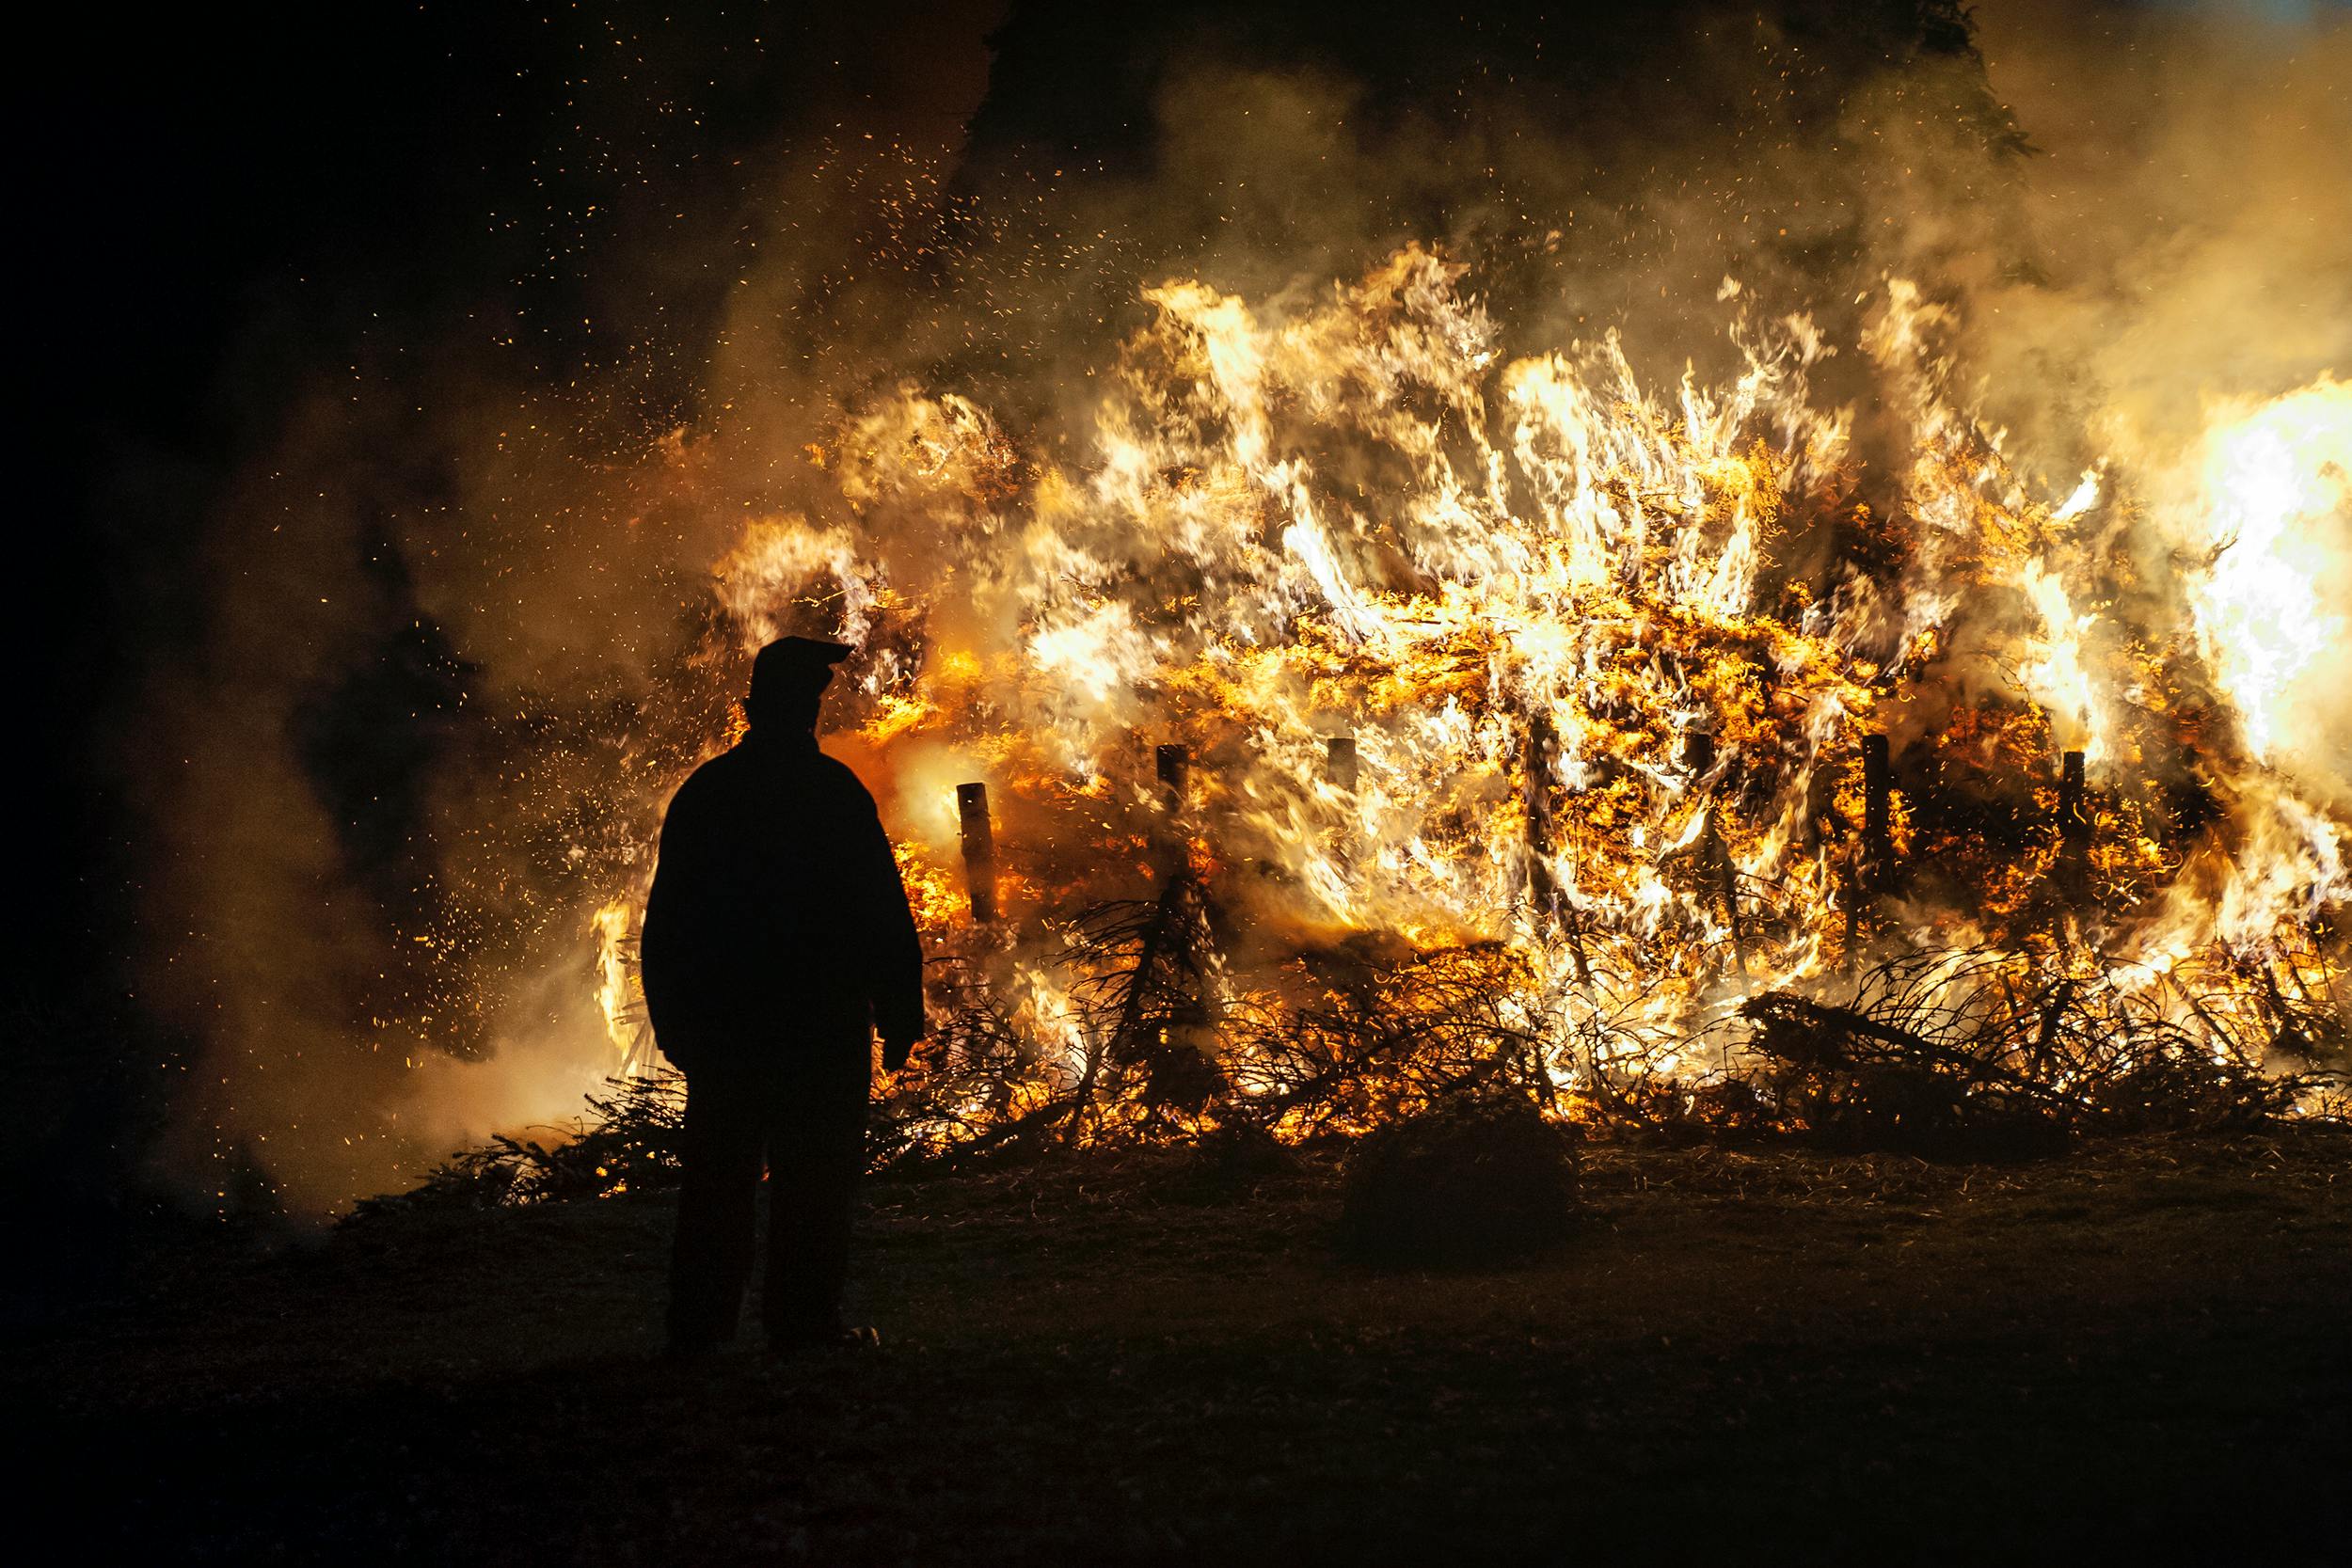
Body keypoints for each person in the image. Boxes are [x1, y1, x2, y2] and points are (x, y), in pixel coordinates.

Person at [640, 636, 926, 1356]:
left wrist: (675, 1019)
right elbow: (880, 910)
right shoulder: (832, 791)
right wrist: (899, 1009)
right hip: (819, 1022)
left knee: (719, 1179)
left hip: (729, 1026)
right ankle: (801, 1324)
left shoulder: (708, 793)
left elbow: (668, 920)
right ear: (806, 712)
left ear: (748, 709)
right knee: (815, 1178)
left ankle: (699, 1330)